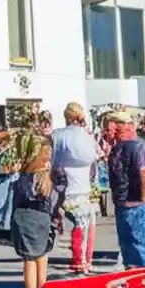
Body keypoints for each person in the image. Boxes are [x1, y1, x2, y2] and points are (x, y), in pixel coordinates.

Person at [10, 133, 65, 288]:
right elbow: (57, 197)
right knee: (43, 257)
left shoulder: (24, 175)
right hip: (43, 217)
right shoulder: (50, 175)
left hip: (24, 217)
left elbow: (18, 197)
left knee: (29, 260)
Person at [51, 102, 100, 274]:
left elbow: (54, 161)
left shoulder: (59, 136)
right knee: (87, 223)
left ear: (66, 117)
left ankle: (78, 259)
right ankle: (86, 259)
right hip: (85, 186)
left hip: (66, 187)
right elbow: (97, 158)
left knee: (77, 223)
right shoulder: (88, 136)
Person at [105, 111, 145, 268]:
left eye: (115, 128)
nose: (111, 132)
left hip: (137, 206)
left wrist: (143, 200)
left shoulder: (140, 146)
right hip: (124, 205)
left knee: (141, 251)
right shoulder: (117, 148)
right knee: (128, 250)